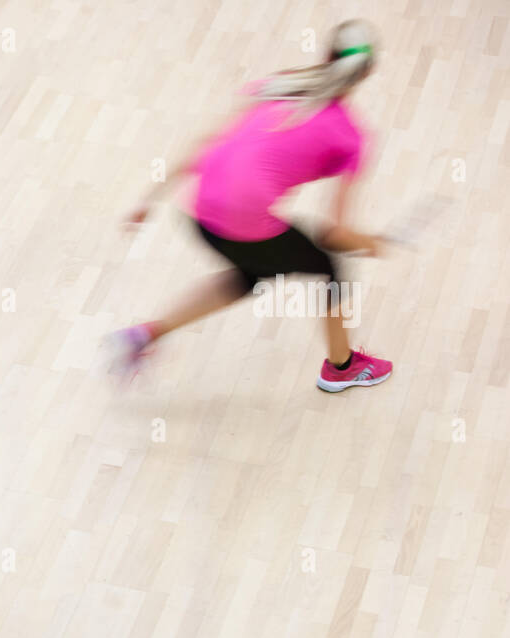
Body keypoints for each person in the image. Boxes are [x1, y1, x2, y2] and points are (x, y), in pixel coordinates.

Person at [114, 19, 393, 393]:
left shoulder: (283, 84)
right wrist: (372, 243)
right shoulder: (350, 136)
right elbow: (334, 233)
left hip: (199, 210)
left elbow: (211, 142)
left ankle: (143, 335)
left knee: (249, 277)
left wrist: (150, 198)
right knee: (329, 270)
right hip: (243, 222)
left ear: (326, 54)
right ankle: (340, 368)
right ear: (368, 73)